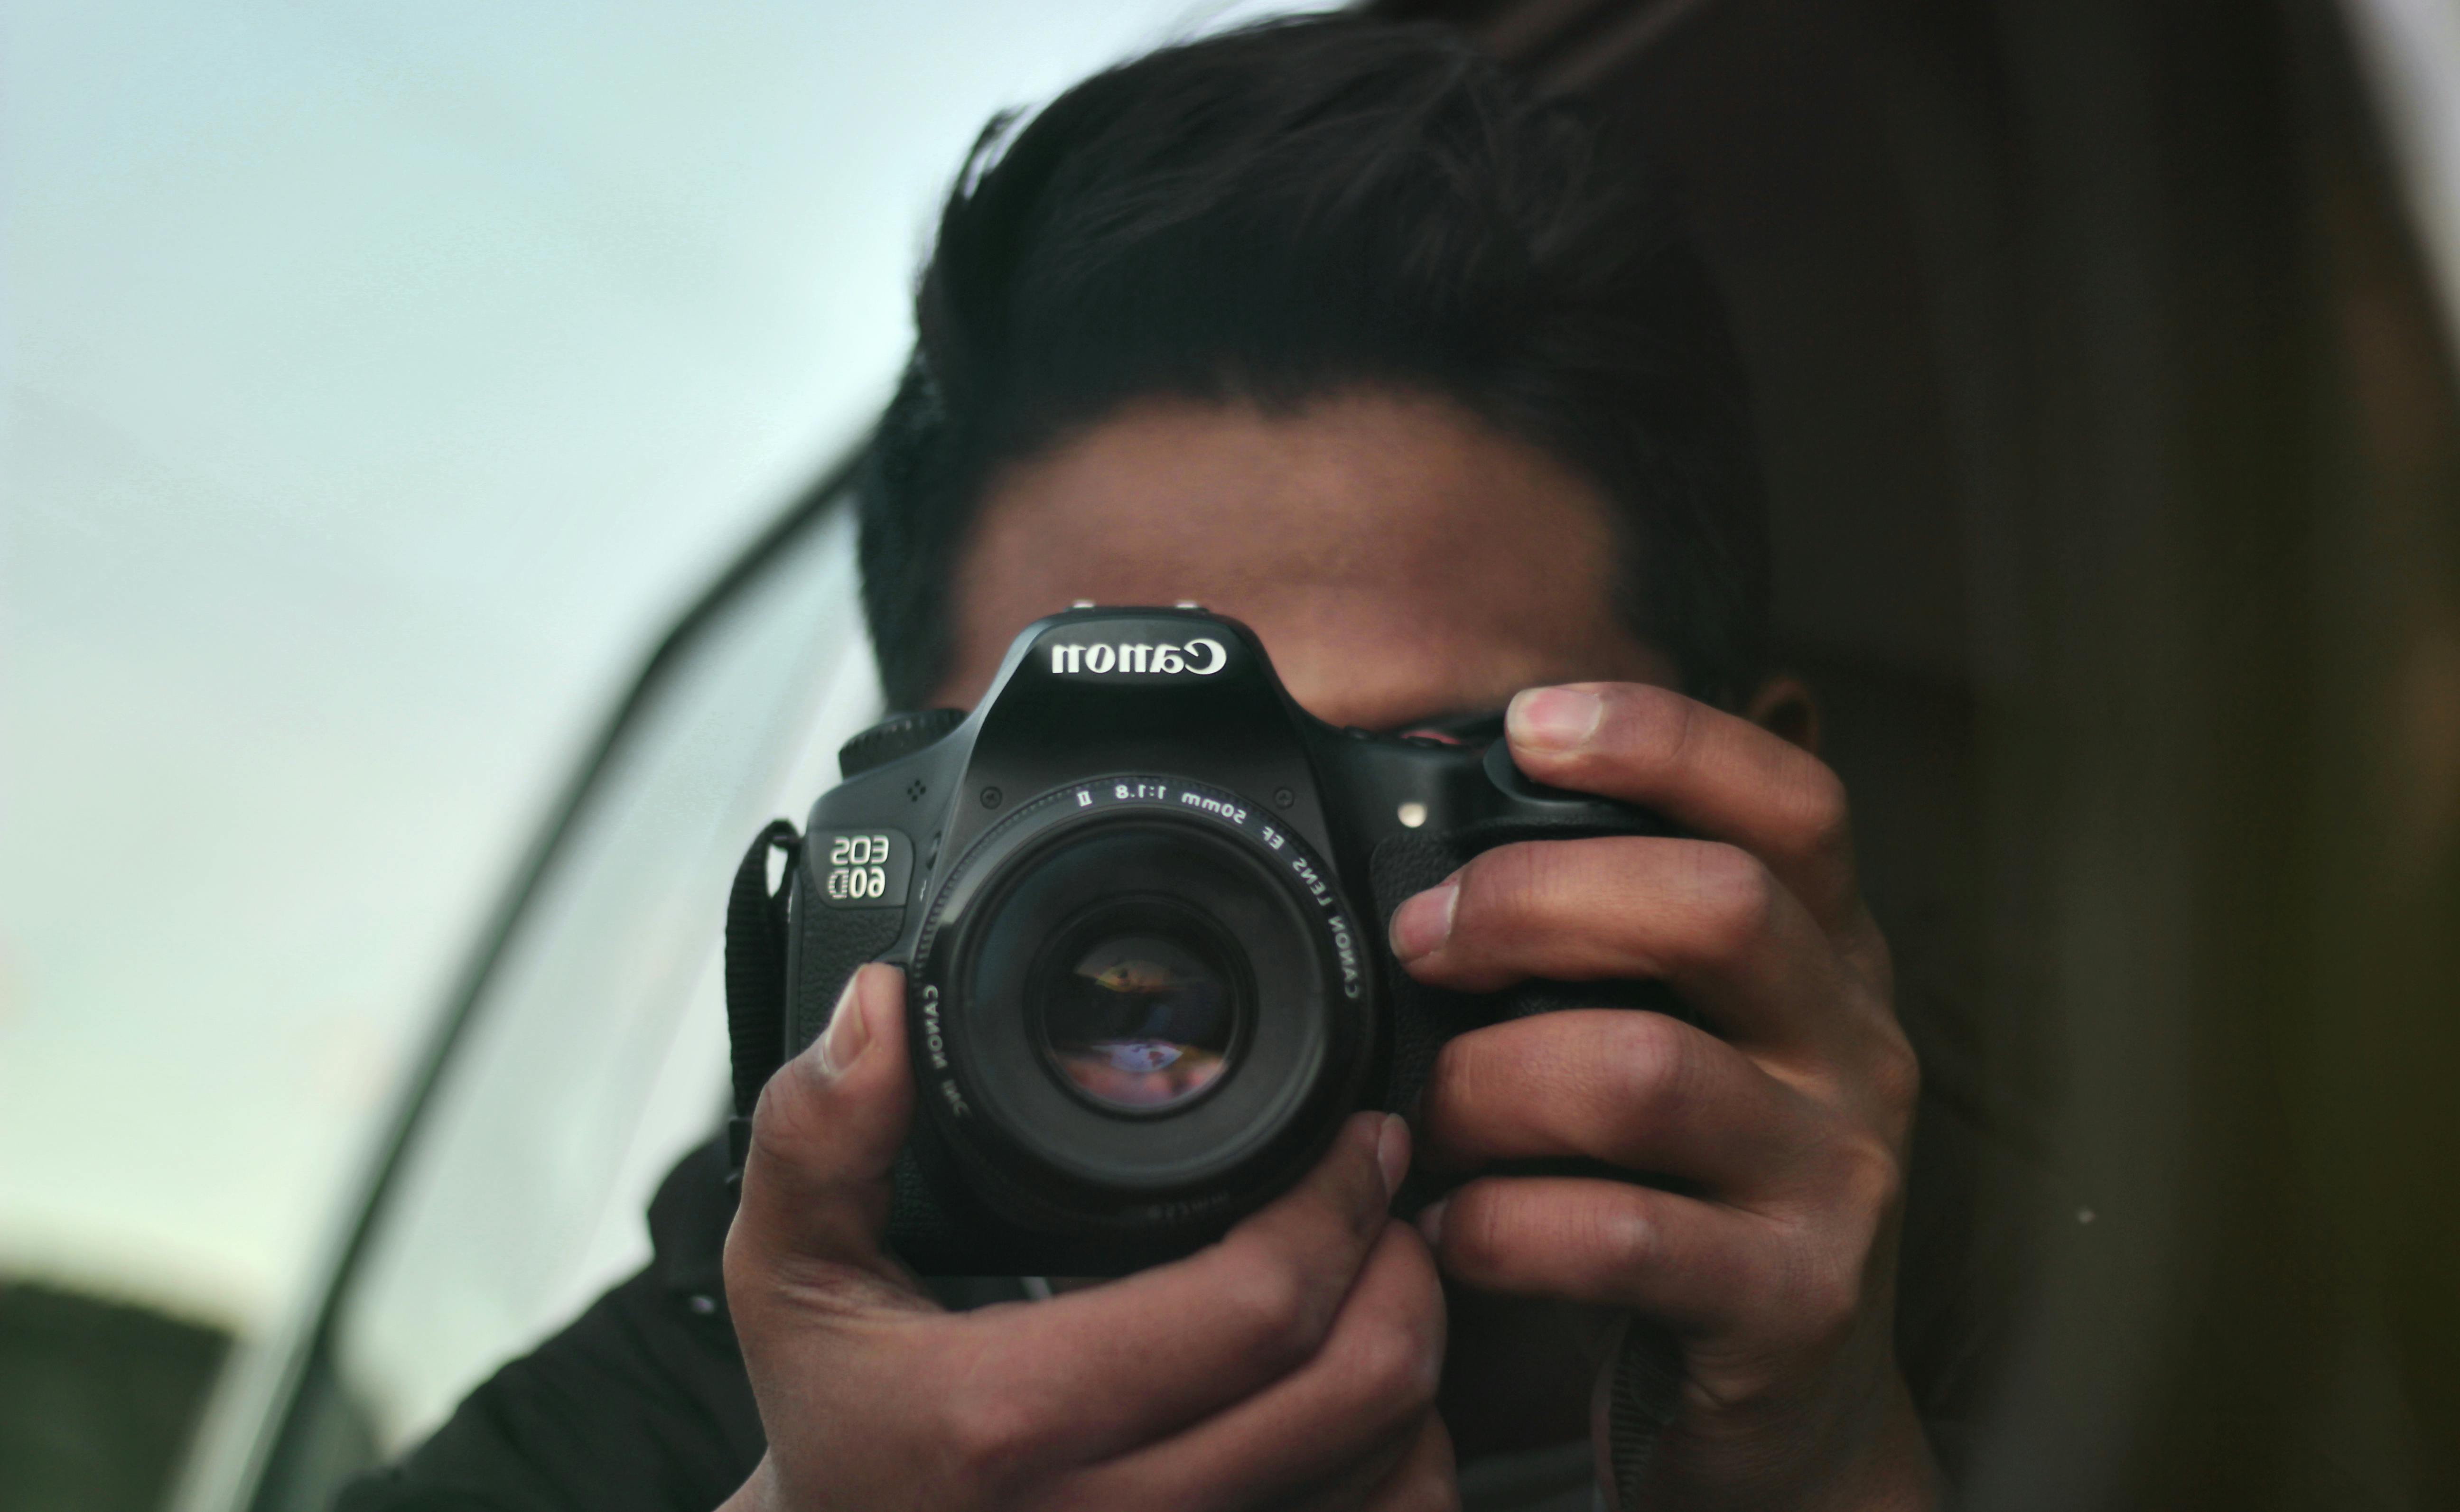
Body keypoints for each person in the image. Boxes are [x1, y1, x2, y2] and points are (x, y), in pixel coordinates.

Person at [342, 16, 1979, 1511]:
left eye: (1402, 786)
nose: (1210, 923)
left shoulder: (2063, 1319)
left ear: (1743, 834)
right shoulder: (685, 1390)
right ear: (890, 854)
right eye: (1078, 811)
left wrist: (1825, 1471)